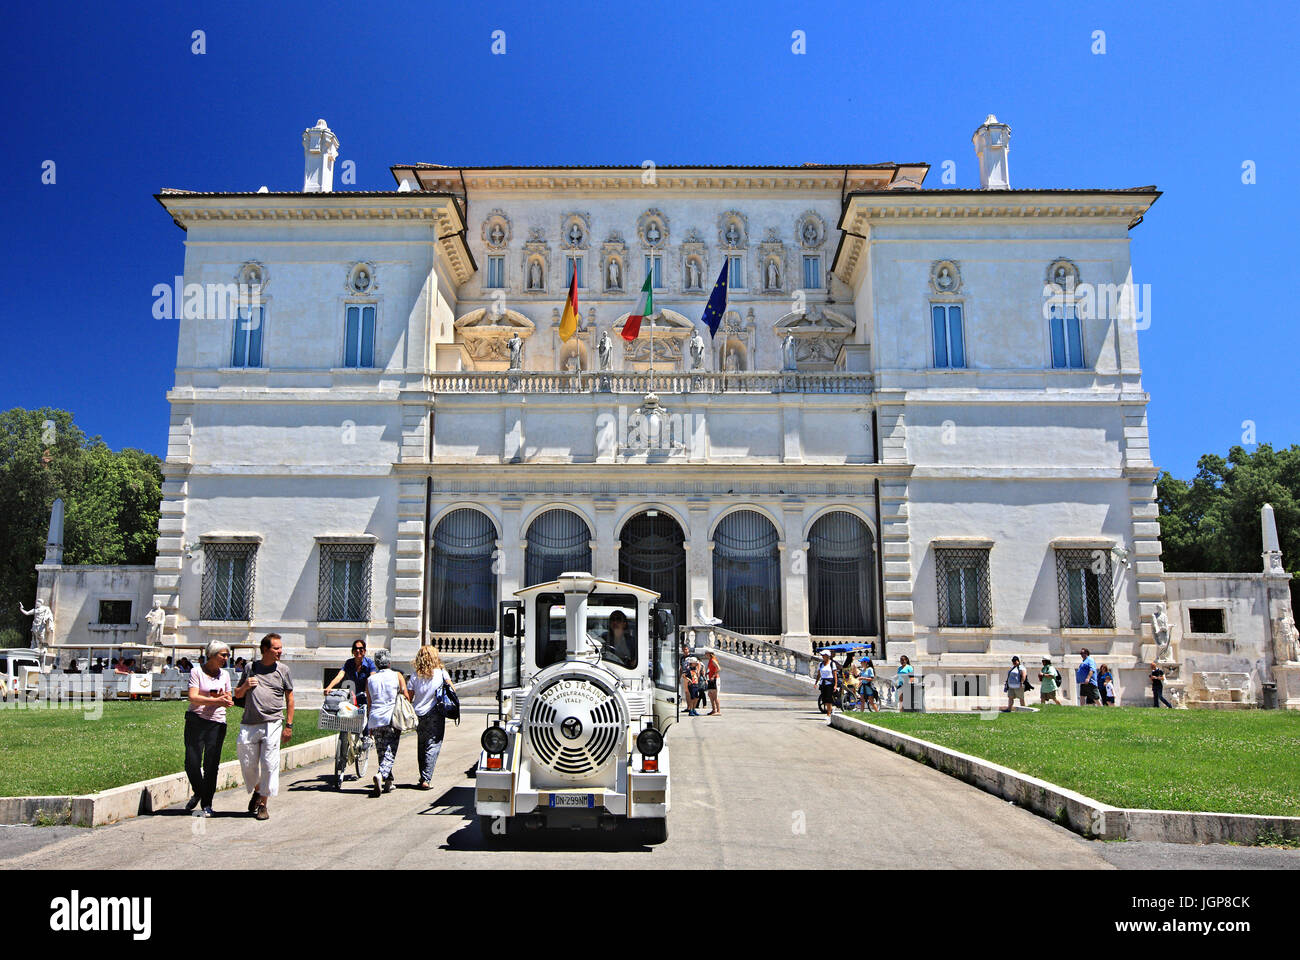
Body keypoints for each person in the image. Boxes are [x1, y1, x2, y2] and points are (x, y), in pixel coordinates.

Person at [233, 633, 295, 821]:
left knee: (269, 764)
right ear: (265, 650)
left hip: (273, 722)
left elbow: (290, 699)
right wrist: (246, 686)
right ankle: (259, 790)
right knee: (247, 764)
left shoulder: (283, 670)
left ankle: (263, 805)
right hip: (249, 722)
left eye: (280, 648)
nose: (280, 651)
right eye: (276, 648)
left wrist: (289, 725)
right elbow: (237, 694)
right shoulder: (250, 668)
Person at [184, 641, 232, 817]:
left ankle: (207, 803)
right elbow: (193, 697)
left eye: (227, 655)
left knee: (211, 765)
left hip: (217, 723)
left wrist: (225, 699)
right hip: (196, 720)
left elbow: (228, 695)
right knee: (192, 762)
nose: (226, 658)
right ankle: (199, 791)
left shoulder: (225, 675)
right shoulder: (197, 672)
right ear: (211, 655)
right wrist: (215, 700)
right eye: (223, 655)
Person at [408, 645, 453, 790]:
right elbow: (452, 689)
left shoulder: (415, 675)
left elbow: (409, 697)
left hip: (418, 714)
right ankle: (426, 778)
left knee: (422, 745)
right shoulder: (441, 673)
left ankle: (423, 776)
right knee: (433, 744)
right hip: (435, 712)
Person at [365, 649, 409, 797]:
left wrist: (369, 724)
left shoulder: (370, 679)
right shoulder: (397, 675)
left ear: (376, 664)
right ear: (389, 662)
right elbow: (406, 695)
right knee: (390, 750)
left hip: (375, 719)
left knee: (381, 751)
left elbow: (369, 703)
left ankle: (388, 782)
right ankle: (381, 774)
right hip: (391, 718)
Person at [816, 650, 837, 721]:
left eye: (824, 655)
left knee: (828, 699)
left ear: (827, 656)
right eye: (822, 655)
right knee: (824, 699)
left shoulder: (832, 664)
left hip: (829, 683)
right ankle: (831, 709)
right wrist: (816, 682)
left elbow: (835, 675)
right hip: (823, 683)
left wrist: (835, 684)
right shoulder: (820, 664)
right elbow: (819, 674)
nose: (822, 657)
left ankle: (828, 714)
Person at [704, 651, 721, 715]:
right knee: (710, 694)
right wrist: (708, 673)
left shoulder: (713, 660)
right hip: (710, 679)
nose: (705, 654)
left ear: (709, 654)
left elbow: (718, 668)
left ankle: (718, 711)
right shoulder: (710, 660)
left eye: (706, 653)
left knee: (715, 695)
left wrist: (713, 676)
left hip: (715, 679)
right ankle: (714, 709)